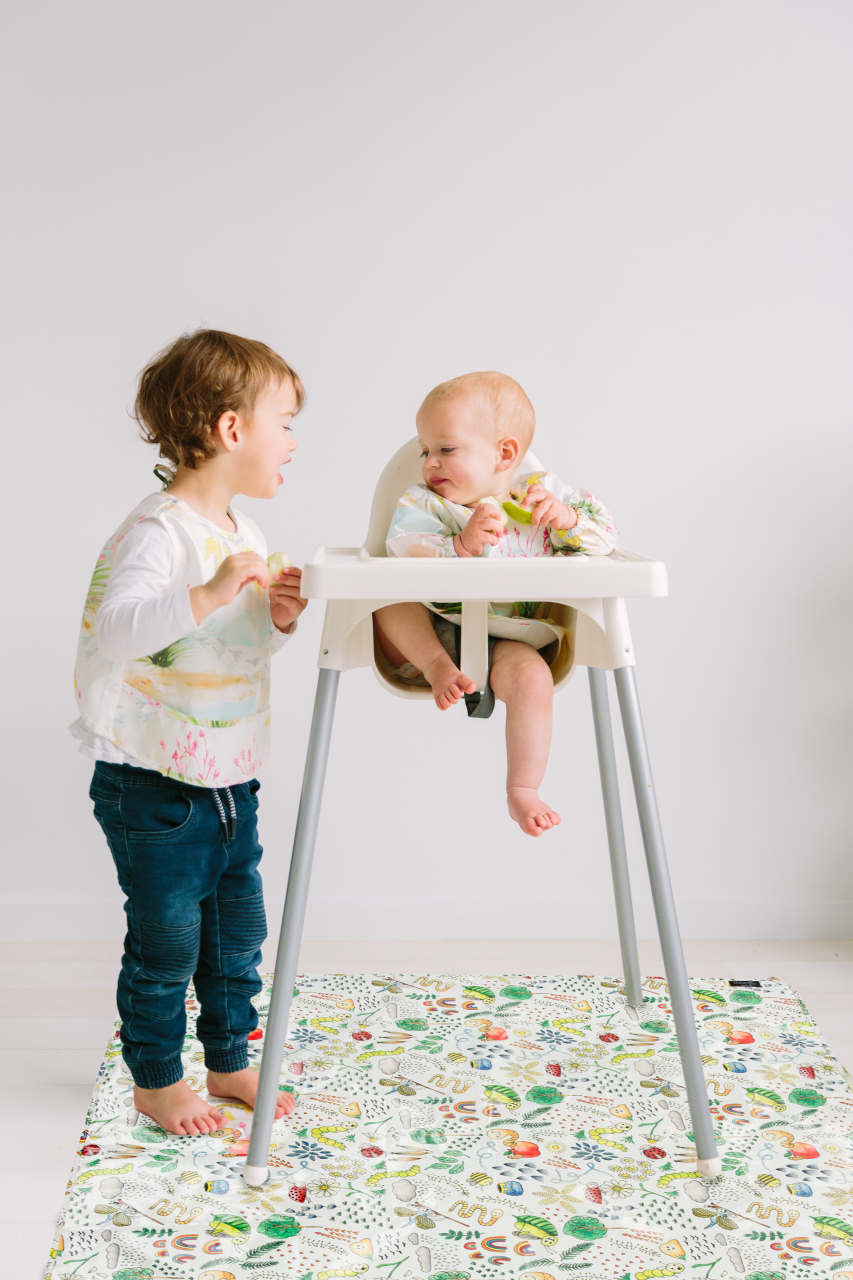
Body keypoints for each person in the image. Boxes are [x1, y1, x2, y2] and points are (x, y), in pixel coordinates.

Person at [71, 330, 307, 1136]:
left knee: (236, 934)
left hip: (227, 773)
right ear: (231, 430)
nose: (293, 441)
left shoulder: (246, 535)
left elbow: (235, 648)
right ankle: (157, 1079)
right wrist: (206, 592)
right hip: (153, 780)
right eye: (284, 422)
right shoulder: (160, 532)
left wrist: (273, 618)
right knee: (167, 940)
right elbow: (119, 628)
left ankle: (228, 1059)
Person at [375, 371, 617, 837]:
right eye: (426, 450)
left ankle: (523, 788)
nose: (428, 463)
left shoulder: (542, 498)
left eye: (445, 449)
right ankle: (437, 667)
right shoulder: (426, 505)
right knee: (387, 597)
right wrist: (459, 546)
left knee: (534, 679)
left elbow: (606, 536)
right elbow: (403, 549)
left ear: (505, 453)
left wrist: (566, 521)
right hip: (436, 626)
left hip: (511, 637)